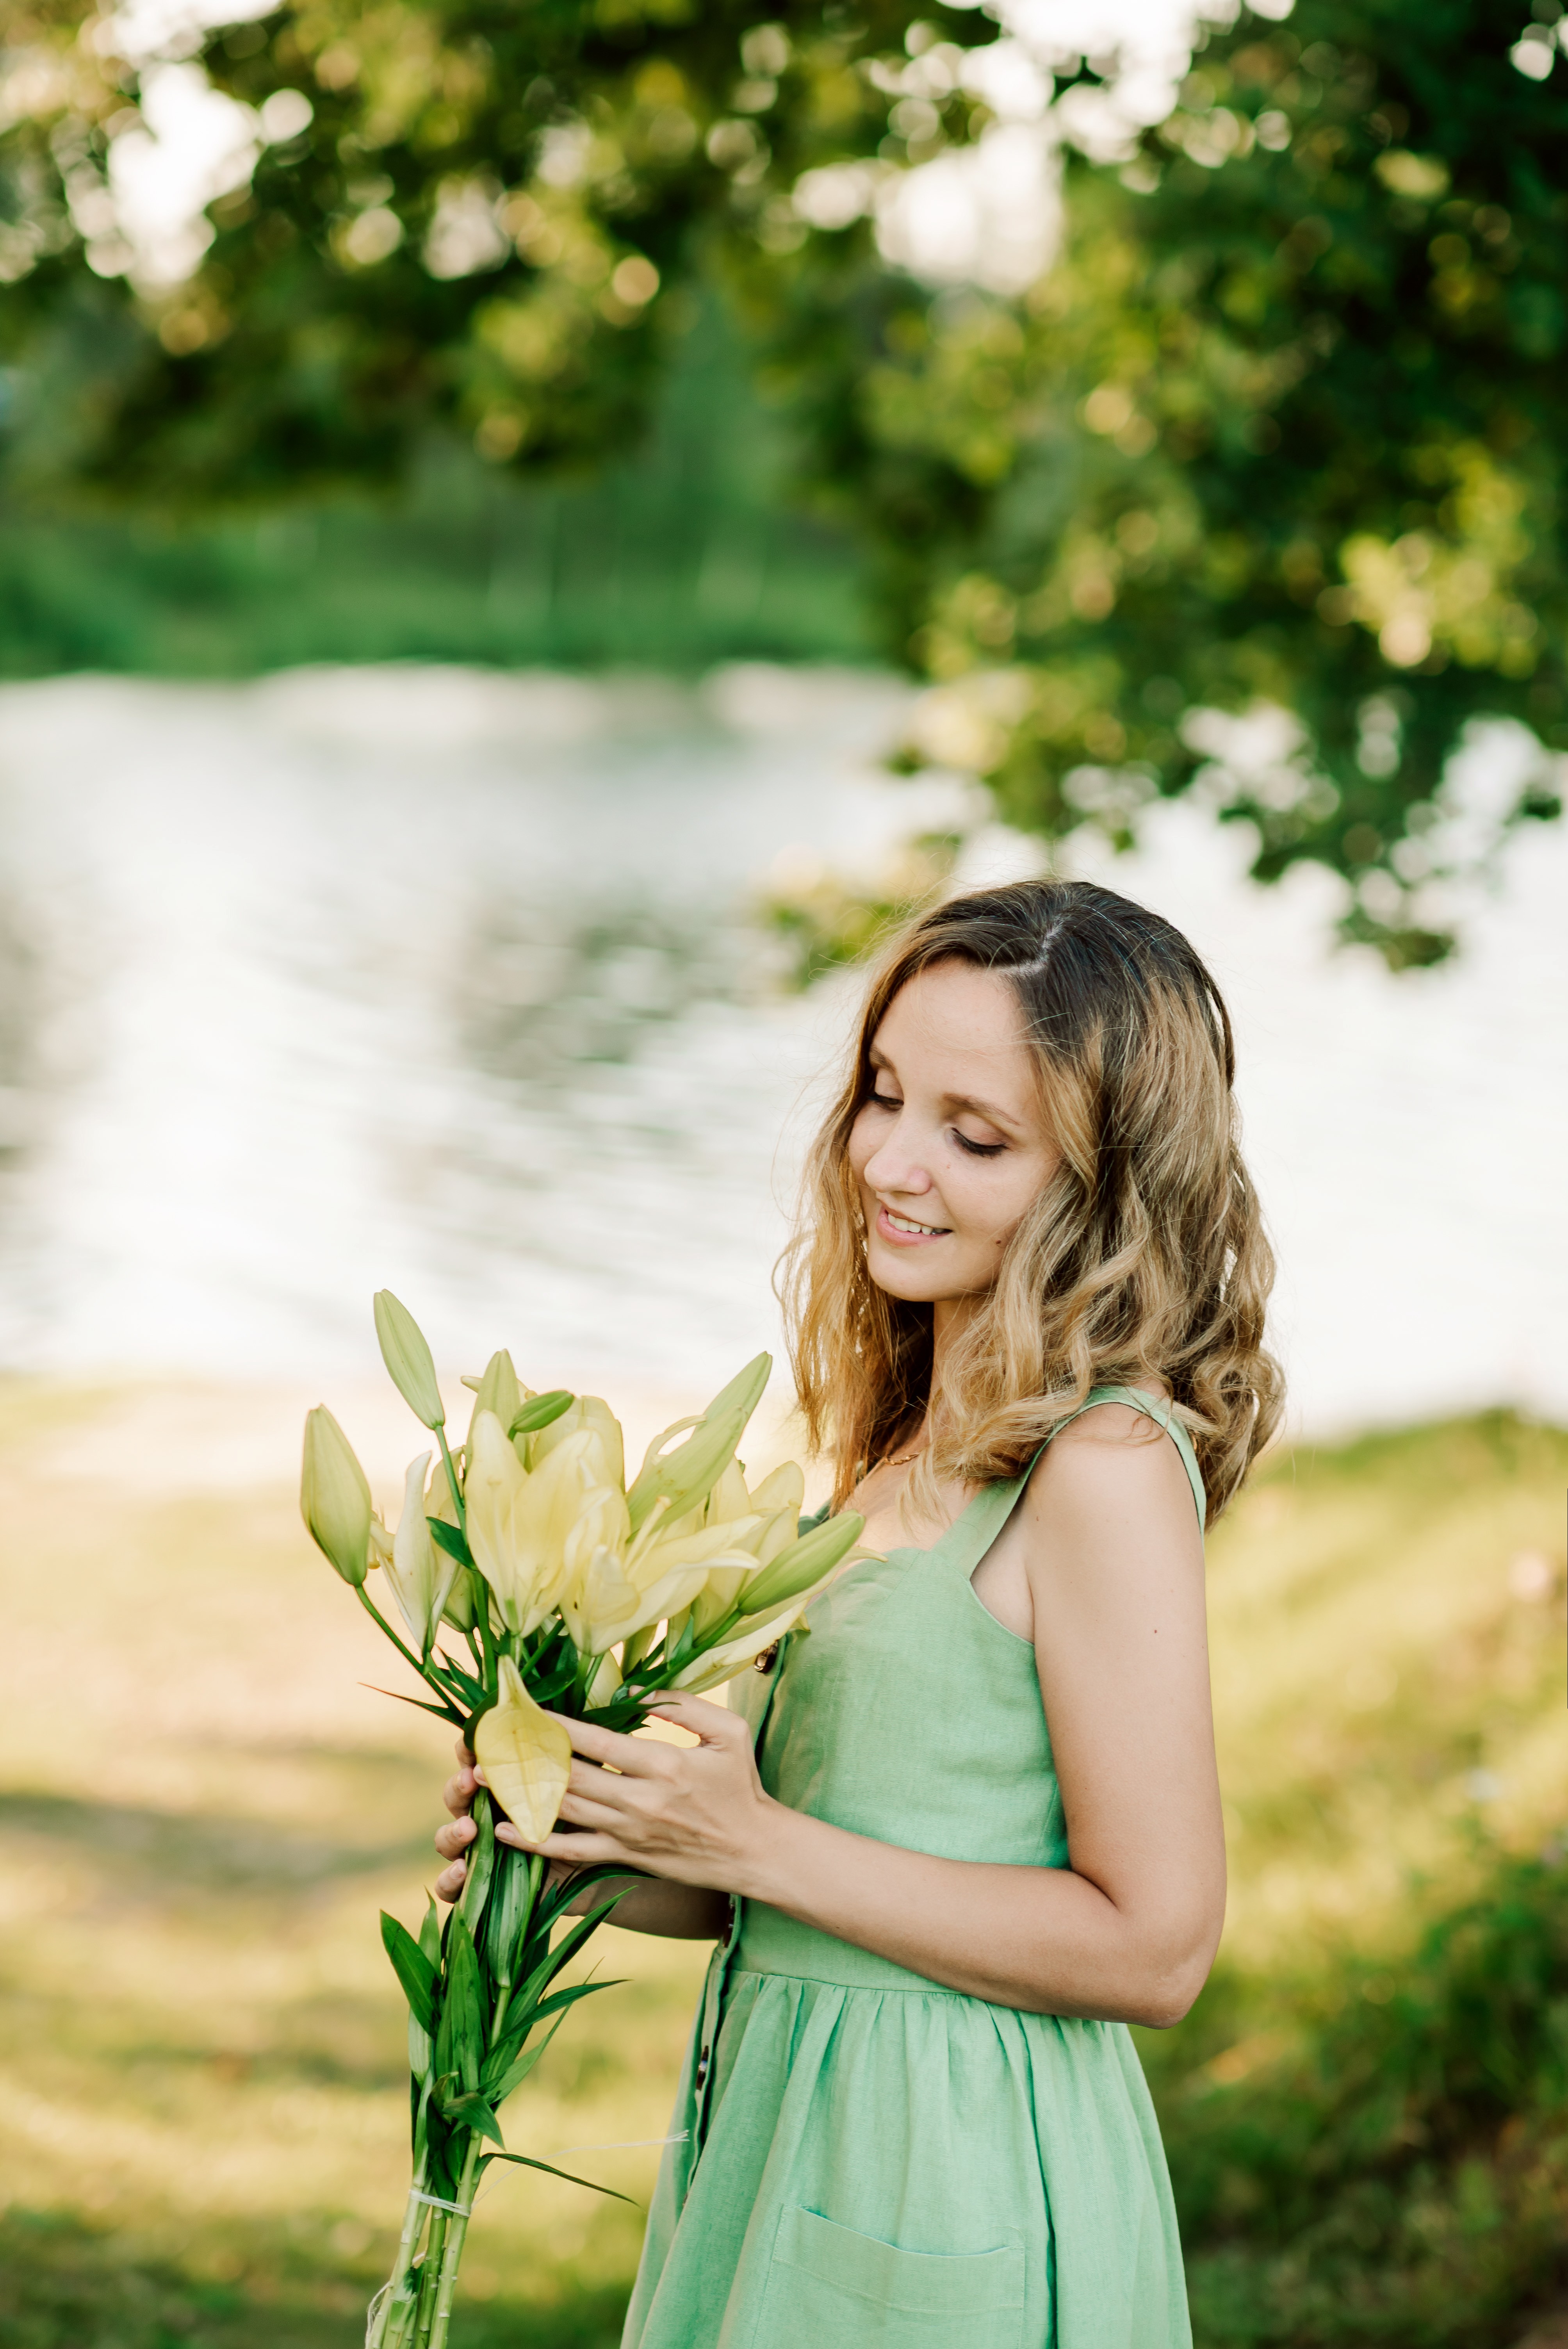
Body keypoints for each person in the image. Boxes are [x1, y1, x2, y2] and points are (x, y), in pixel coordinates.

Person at [434, 877, 1282, 2349]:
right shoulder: (897, 1442)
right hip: (779, 2126)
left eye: (977, 1136)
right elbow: (807, 1879)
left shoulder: (1103, 1465)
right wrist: (581, 1847)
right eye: (884, 1095)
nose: (891, 1160)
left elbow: (1158, 1945)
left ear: (1108, 1182)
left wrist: (753, 1837)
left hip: (946, 2166)